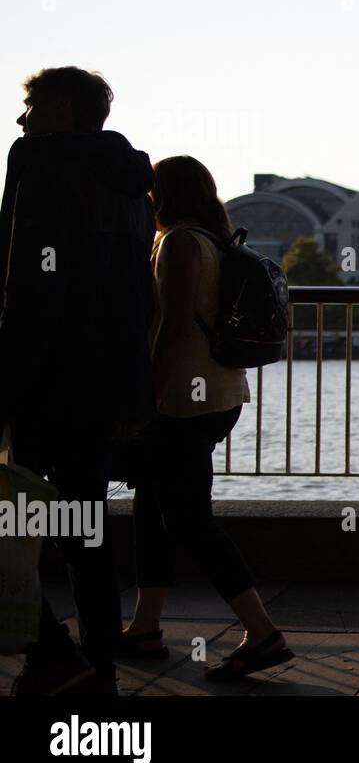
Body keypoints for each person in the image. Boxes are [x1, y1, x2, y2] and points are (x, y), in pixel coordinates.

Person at [2, 67, 157, 695]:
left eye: (33, 104)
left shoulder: (34, 160)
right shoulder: (132, 185)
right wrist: (130, 392)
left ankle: (52, 649)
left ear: (61, 109)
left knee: (14, 513)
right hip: (99, 384)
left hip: (37, 376)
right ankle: (100, 662)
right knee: (86, 525)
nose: (23, 117)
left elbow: (18, 281)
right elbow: (135, 296)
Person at [116, 155, 293, 681]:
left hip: (182, 400)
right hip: (218, 393)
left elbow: (171, 329)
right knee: (152, 506)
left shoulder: (177, 243)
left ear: (160, 196)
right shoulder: (215, 241)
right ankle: (145, 626)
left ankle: (262, 633)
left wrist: (144, 399)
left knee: (189, 519)